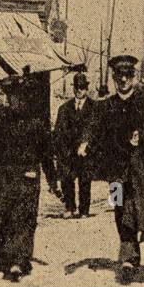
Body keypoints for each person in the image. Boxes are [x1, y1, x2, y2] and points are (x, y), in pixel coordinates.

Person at [79, 55, 144, 282]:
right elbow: (92, 126)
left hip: (137, 171)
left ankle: (129, 257)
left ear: (133, 78)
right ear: (114, 79)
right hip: (114, 172)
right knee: (118, 208)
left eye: (127, 75)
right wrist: (85, 142)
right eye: (118, 76)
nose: (123, 80)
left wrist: (142, 135)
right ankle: (129, 254)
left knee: (133, 209)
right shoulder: (107, 105)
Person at [0, 79, 54, 282]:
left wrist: (53, 181)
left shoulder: (36, 123)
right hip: (4, 177)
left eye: (12, 96)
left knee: (24, 220)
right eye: (8, 96)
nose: (9, 100)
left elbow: (46, 155)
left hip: (27, 179)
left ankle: (18, 261)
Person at [53, 72, 95, 218]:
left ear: (87, 88)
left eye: (82, 87)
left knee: (85, 181)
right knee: (67, 179)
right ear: (73, 88)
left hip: (86, 152)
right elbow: (58, 132)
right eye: (77, 87)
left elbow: (95, 129)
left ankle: (84, 210)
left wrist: (86, 145)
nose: (79, 90)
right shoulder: (64, 108)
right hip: (69, 153)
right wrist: (63, 151)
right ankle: (70, 207)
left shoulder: (94, 107)